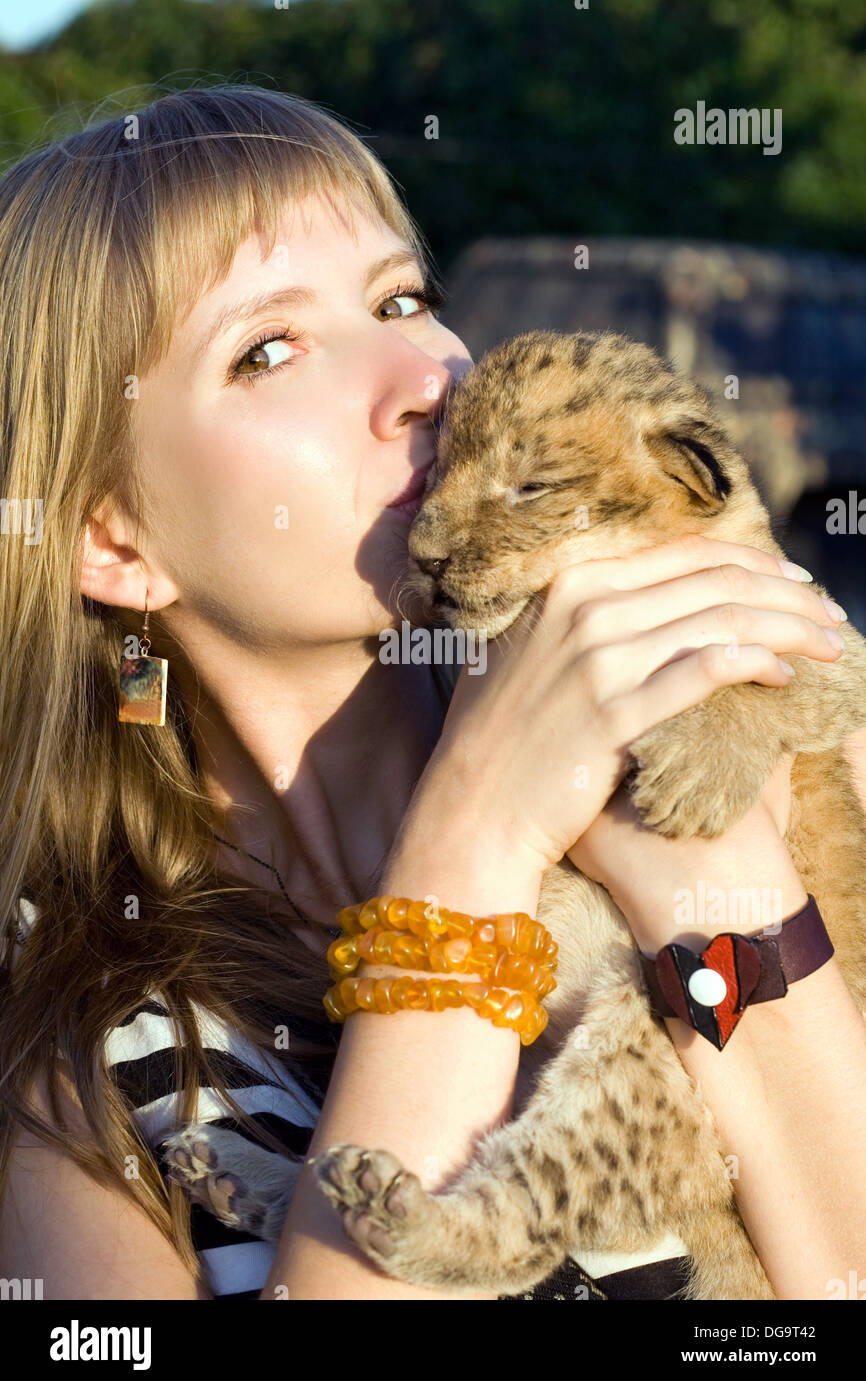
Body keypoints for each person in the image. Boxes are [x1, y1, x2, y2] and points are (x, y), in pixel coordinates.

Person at [1, 84, 864, 1302]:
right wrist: (475, 832)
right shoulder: (68, 1058)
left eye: (403, 299)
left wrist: (696, 858)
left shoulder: (769, 735)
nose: (423, 375)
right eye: (267, 348)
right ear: (113, 537)